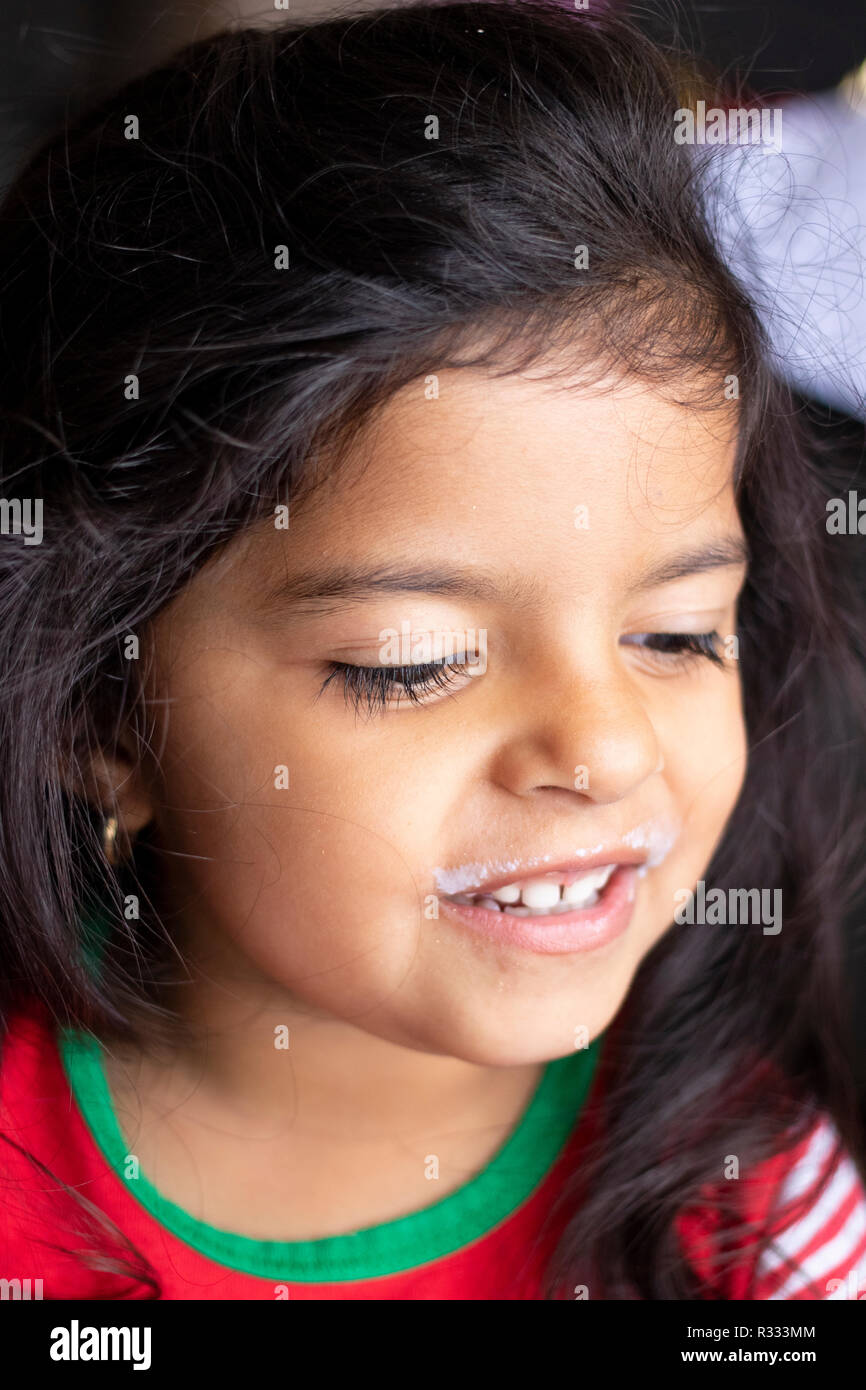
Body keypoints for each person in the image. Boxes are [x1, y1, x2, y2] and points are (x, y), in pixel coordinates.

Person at [1, 0, 865, 1300]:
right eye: (412, 661)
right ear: (99, 717)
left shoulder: (753, 1212)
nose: (603, 743)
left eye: (678, 635)